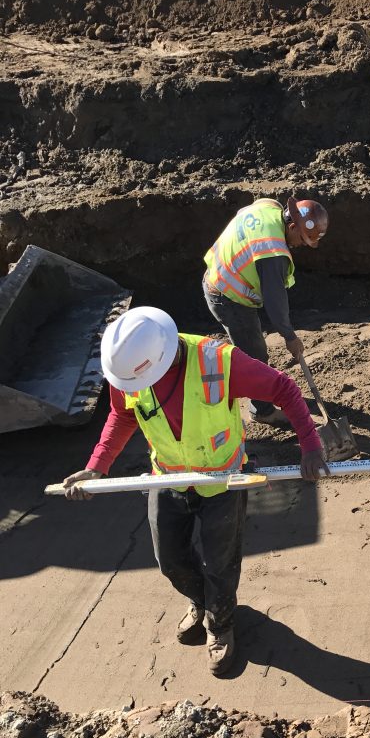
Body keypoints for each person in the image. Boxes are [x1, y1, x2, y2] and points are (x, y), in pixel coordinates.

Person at [62, 306, 328, 677]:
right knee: (168, 558)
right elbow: (122, 414)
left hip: (222, 478)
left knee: (220, 563)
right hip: (167, 476)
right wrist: (97, 465)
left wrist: (310, 445)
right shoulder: (130, 370)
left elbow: (282, 387)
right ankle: (200, 601)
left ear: (160, 360)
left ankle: (220, 626)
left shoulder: (218, 361)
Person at [202, 195, 329, 428]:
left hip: (219, 274)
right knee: (255, 357)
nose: (301, 245)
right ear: (291, 226)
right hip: (226, 296)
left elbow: (245, 210)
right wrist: (289, 336)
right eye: (301, 239)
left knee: (250, 349)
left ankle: (256, 392)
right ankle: (262, 411)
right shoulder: (273, 254)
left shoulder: (269, 207)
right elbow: (275, 302)